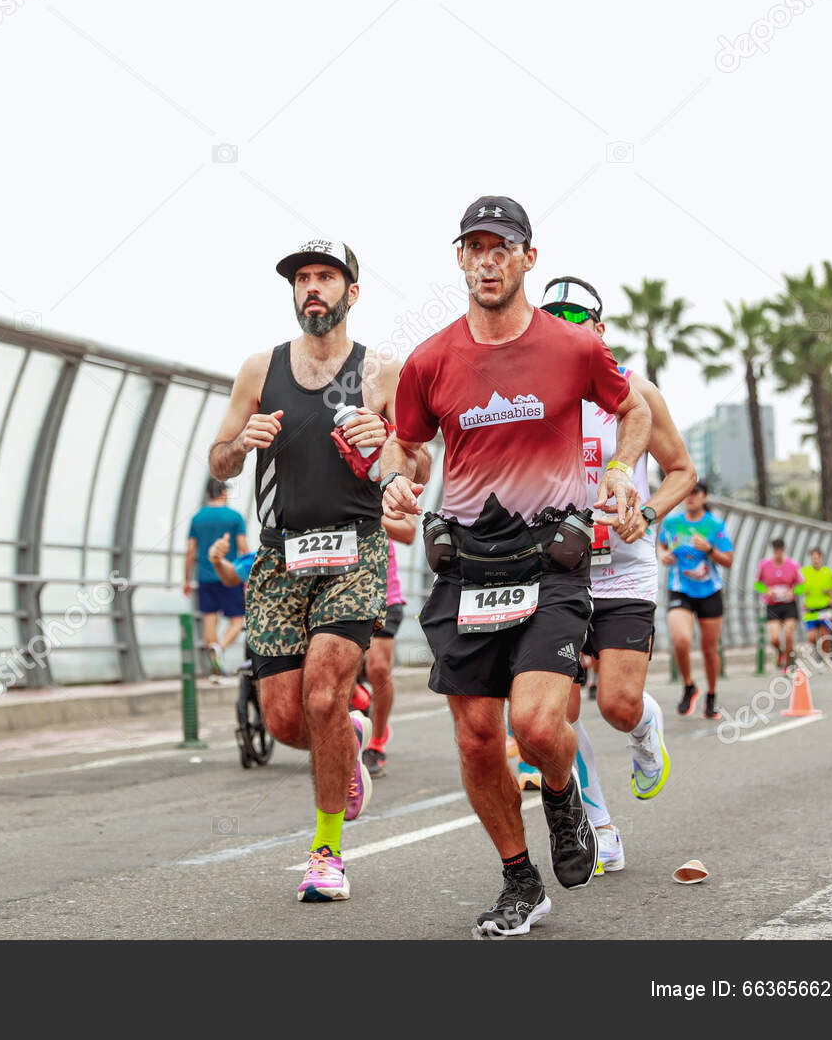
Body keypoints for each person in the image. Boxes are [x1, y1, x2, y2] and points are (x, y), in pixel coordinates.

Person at [378, 196, 651, 937]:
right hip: (466, 567)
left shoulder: (572, 347)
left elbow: (634, 408)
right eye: (475, 246)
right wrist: (397, 475)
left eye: (503, 246)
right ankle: (520, 880)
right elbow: (406, 444)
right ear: (460, 259)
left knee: (535, 724)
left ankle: (562, 795)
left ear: (529, 258)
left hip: (551, 561)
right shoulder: (430, 359)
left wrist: (622, 470)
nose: (488, 259)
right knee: (474, 738)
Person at [207, 237, 407, 904]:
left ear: (351, 292)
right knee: (288, 717)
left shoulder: (381, 371)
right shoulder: (260, 370)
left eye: (325, 277)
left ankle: (326, 852)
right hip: (278, 557)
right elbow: (217, 460)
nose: (311, 288)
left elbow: (417, 463)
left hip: (354, 547)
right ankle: (343, 740)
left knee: (324, 691)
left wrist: (391, 450)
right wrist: (242, 443)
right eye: (302, 279)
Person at [541, 277, 694, 876]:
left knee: (617, 702)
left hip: (624, 573)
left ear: (600, 331)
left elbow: (682, 470)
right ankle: (599, 824)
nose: (569, 329)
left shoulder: (634, 392)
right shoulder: (534, 399)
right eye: (555, 320)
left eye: (580, 319)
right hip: (560, 573)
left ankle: (645, 725)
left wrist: (648, 513)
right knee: (558, 711)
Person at [660, 481, 735, 717]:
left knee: (709, 649)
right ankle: (689, 685)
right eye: (687, 493)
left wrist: (710, 550)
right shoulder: (672, 523)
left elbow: (728, 560)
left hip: (709, 592)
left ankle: (711, 695)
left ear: (705, 496)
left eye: (695, 493)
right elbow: (661, 545)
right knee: (681, 640)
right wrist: (664, 555)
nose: (690, 497)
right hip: (680, 589)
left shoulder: (715, 525)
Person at [184, 478, 248, 680]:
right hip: (229, 575)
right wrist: (247, 576)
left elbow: (191, 552)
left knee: (210, 619)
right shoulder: (234, 517)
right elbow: (244, 548)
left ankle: (215, 665)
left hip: (204, 577)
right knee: (237, 620)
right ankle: (220, 648)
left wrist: (186, 579)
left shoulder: (197, 518)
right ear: (222, 492)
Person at [362, 542, 407, 778]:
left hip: (385, 598)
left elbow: (409, 532)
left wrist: (373, 512)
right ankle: (361, 702)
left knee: (379, 668)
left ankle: (377, 742)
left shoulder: (386, 503)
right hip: (342, 598)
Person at [755, 539, 803, 672]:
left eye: (780, 551)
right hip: (772, 605)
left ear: (784, 550)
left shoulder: (793, 565)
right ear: (773, 551)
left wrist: (792, 591)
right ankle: (780, 652)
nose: (778, 554)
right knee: (774, 639)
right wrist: (766, 591)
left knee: (788, 635)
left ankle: (788, 665)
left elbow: (802, 585)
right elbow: (757, 583)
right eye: (776, 551)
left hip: (789, 605)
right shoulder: (764, 565)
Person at [798, 548, 832, 668]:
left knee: (825, 635)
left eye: (816, 558)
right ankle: (818, 652)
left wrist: (830, 594)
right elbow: (798, 588)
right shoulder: (804, 572)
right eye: (812, 558)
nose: (814, 560)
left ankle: (825, 656)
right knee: (811, 637)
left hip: (824, 608)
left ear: (821, 558)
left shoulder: (828, 572)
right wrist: (803, 591)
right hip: (811, 609)